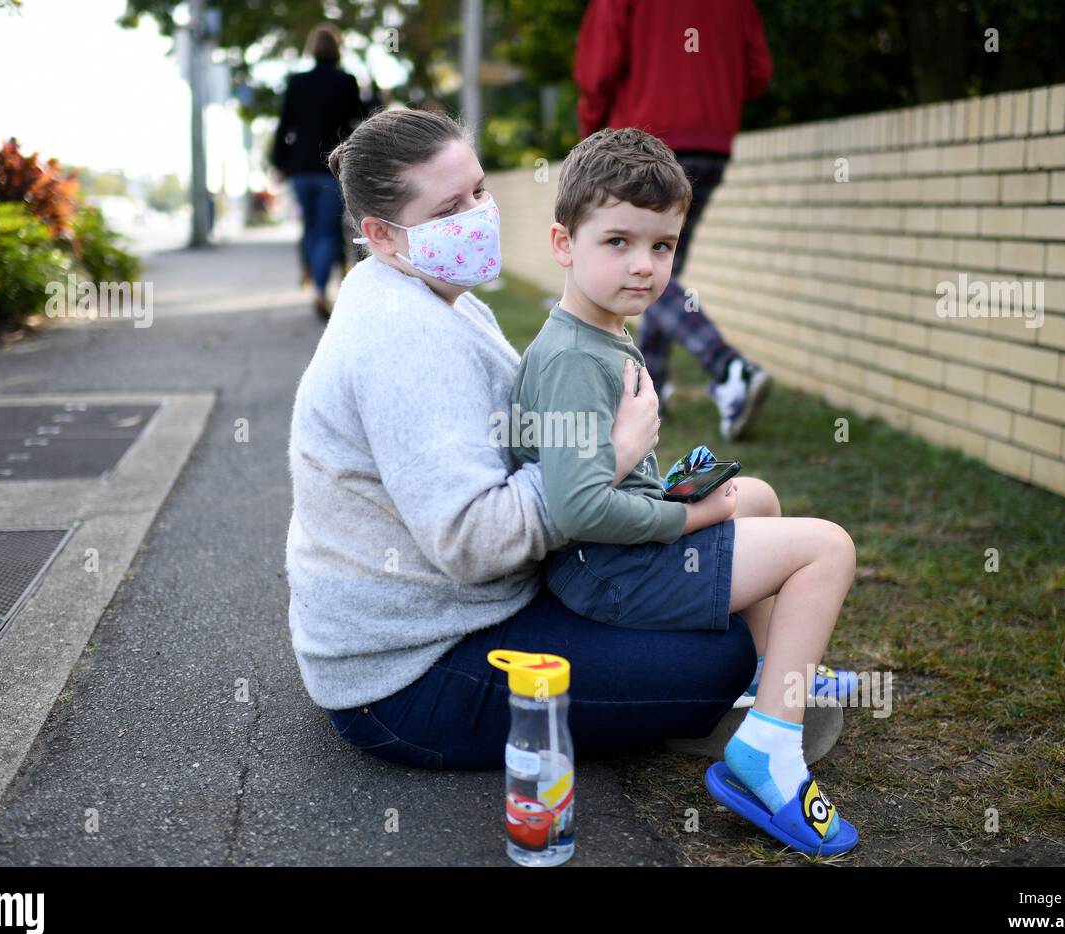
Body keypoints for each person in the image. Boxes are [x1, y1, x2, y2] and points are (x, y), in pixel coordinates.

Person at [285, 108, 856, 854]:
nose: (478, 217)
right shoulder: (401, 340)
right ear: (383, 233)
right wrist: (613, 461)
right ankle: (761, 726)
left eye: (479, 192)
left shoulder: (428, 297)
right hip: (408, 679)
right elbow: (473, 541)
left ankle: (761, 698)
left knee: (736, 586)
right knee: (722, 652)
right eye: (448, 209)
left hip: (451, 618)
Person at [508, 126, 859, 852]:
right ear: (563, 243)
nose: (643, 266)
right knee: (828, 548)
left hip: (615, 553)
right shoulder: (577, 358)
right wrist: (689, 516)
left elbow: (600, 477)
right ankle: (769, 752)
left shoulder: (603, 327)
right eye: (618, 242)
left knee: (755, 495)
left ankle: (763, 687)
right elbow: (575, 509)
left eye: (661, 246)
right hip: (612, 574)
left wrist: (680, 497)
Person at [574, 0, 776, 441]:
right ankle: (650, 392)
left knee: (639, 270)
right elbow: (758, 72)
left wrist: (591, 138)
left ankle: (729, 369)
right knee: (662, 264)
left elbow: (597, 71)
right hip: (711, 142)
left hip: (641, 143)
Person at [270, 23, 368, 319]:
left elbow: (284, 126)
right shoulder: (346, 82)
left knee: (311, 229)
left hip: (300, 170)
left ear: (311, 49)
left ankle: (315, 278)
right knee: (327, 231)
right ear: (337, 49)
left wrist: (278, 163)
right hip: (332, 169)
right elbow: (359, 122)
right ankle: (319, 290)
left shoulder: (296, 82)